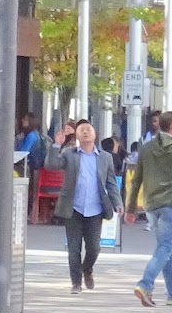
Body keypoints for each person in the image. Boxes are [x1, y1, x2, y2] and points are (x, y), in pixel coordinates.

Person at [45, 120, 121, 294]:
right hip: (73, 208)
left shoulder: (105, 157)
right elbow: (51, 165)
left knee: (94, 247)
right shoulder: (69, 154)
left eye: (88, 129)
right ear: (77, 135)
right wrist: (56, 144)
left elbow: (110, 183)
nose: (85, 132)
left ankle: (87, 268)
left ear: (94, 134)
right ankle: (76, 283)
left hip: (95, 209)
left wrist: (117, 202)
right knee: (74, 248)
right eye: (81, 130)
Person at [127, 110, 172, 306]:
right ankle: (145, 284)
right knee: (165, 247)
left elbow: (136, 180)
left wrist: (130, 209)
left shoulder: (146, 148)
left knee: (166, 248)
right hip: (171, 204)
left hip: (152, 205)